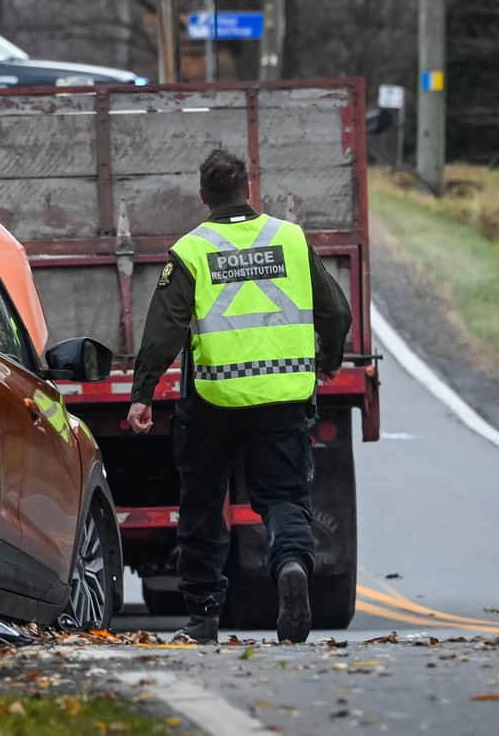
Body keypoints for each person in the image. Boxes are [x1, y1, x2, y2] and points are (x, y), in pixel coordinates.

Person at [126, 149, 351, 644]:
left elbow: (164, 328)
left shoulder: (191, 250)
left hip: (213, 403)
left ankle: (204, 615)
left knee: (203, 504)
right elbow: (335, 309)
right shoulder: (289, 239)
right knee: (285, 498)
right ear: (249, 189)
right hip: (283, 396)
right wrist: (328, 361)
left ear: (203, 195)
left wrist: (142, 393)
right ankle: (290, 563)